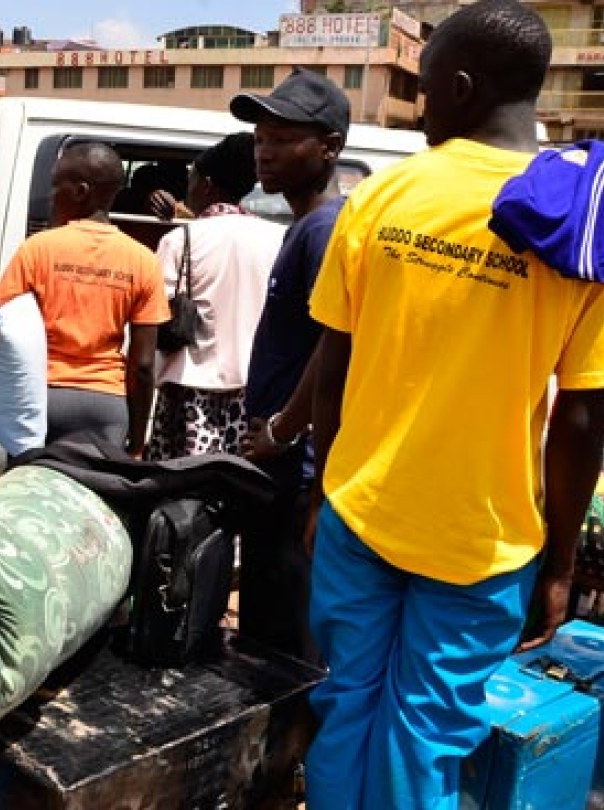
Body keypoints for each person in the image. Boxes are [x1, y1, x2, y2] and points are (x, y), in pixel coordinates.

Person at [305, 3, 604, 807]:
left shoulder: (382, 195)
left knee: (345, 705)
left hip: (362, 509)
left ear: (458, 86)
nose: (419, 108)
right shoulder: (589, 219)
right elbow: (581, 416)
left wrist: (321, 491)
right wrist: (560, 565)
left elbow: (331, 365)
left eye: (421, 91)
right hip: (482, 538)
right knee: (426, 736)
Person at [226, 67, 350, 664]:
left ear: (329, 147)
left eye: (281, 139)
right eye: (259, 139)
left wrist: (282, 428)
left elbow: (335, 346)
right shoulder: (305, 225)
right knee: (265, 616)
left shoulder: (325, 229)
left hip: (294, 467)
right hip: (279, 459)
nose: (264, 152)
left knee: (283, 629)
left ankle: (286, 750)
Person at [0, 142, 169, 455]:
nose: (51, 196)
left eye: (56, 185)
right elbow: (142, 366)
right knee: (94, 501)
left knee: (28, 497)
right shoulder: (143, 260)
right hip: (106, 409)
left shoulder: (38, 250)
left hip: (39, 400)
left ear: (80, 191)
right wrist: (138, 440)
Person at [146, 132, 284, 460]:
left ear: (206, 184)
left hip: (187, 396)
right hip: (253, 395)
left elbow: (154, 319)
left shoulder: (180, 241)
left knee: (181, 499)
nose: (187, 188)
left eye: (191, 178)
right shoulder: (279, 239)